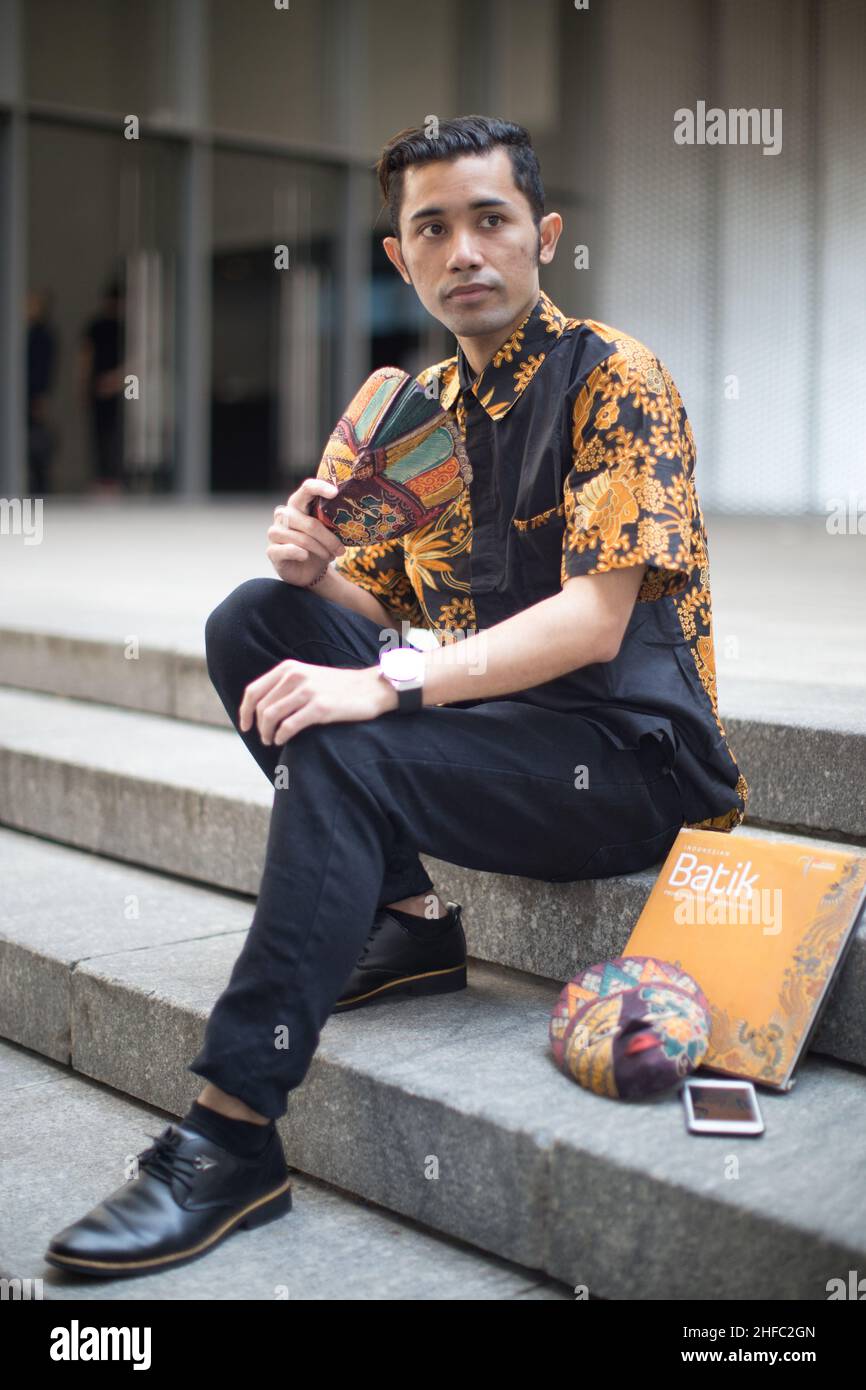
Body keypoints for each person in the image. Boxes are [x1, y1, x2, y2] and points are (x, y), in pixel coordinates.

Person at [45, 114, 748, 1279]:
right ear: (399, 258)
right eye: (434, 228)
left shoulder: (611, 376)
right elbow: (383, 609)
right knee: (252, 621)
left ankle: (230, 1136)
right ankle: (410, 923)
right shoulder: (415, 410)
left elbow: (593, 620)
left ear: (543, 236)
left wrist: (392, 685)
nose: (464, 249)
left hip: (624, 760)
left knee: (351, 741)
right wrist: (315, 572)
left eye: (491, 219)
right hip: (493, 734)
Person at [80, 277, 126, 495]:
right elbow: (85, 358)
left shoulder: (131, 328)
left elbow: (137, 365)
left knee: (117, 433)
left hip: (123, 388)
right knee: (102, 434)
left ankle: (113, 478)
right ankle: (105, 478)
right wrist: (84, 387)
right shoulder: (98, 326)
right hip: (103, 388)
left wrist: (118, 381)